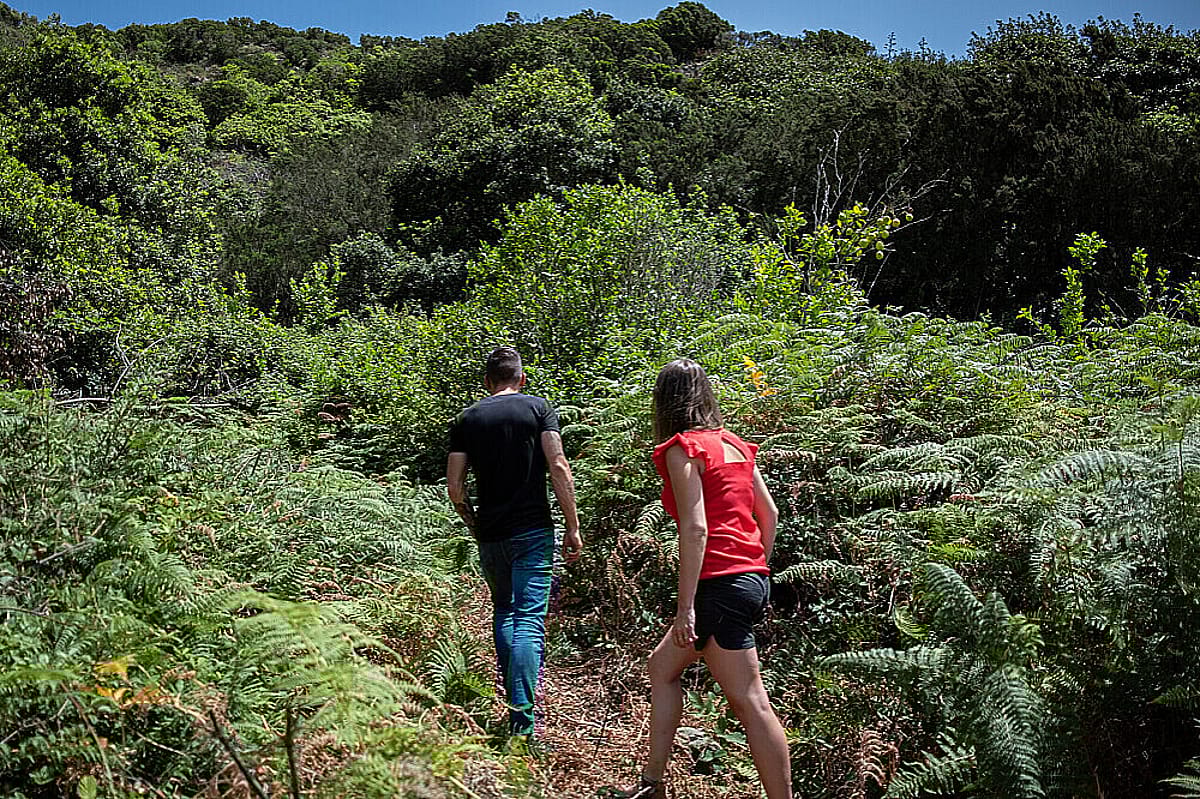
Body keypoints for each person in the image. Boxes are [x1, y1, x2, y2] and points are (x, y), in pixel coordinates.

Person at [608, 358, 791, 799]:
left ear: (664, 402)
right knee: (663, 668)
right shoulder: (735, 445)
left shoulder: (682, 448)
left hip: (718, 585)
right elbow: (769, 513)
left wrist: (685, 605)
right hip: (748, 578)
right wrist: (754, 568)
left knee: (751, 702)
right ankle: (652, 782)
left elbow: (695, 527)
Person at [446, 346, 583, 743]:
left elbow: (455, 487)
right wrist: (572, 525)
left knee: (504, 610)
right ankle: (522, 721)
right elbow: (558, 466)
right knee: (529, 619)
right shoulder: (539, 409)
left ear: (487, 382)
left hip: (490, 534)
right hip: (532, 531)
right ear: (521, 379)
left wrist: (472, 519)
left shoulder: (466, 419)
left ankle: (514, 707)